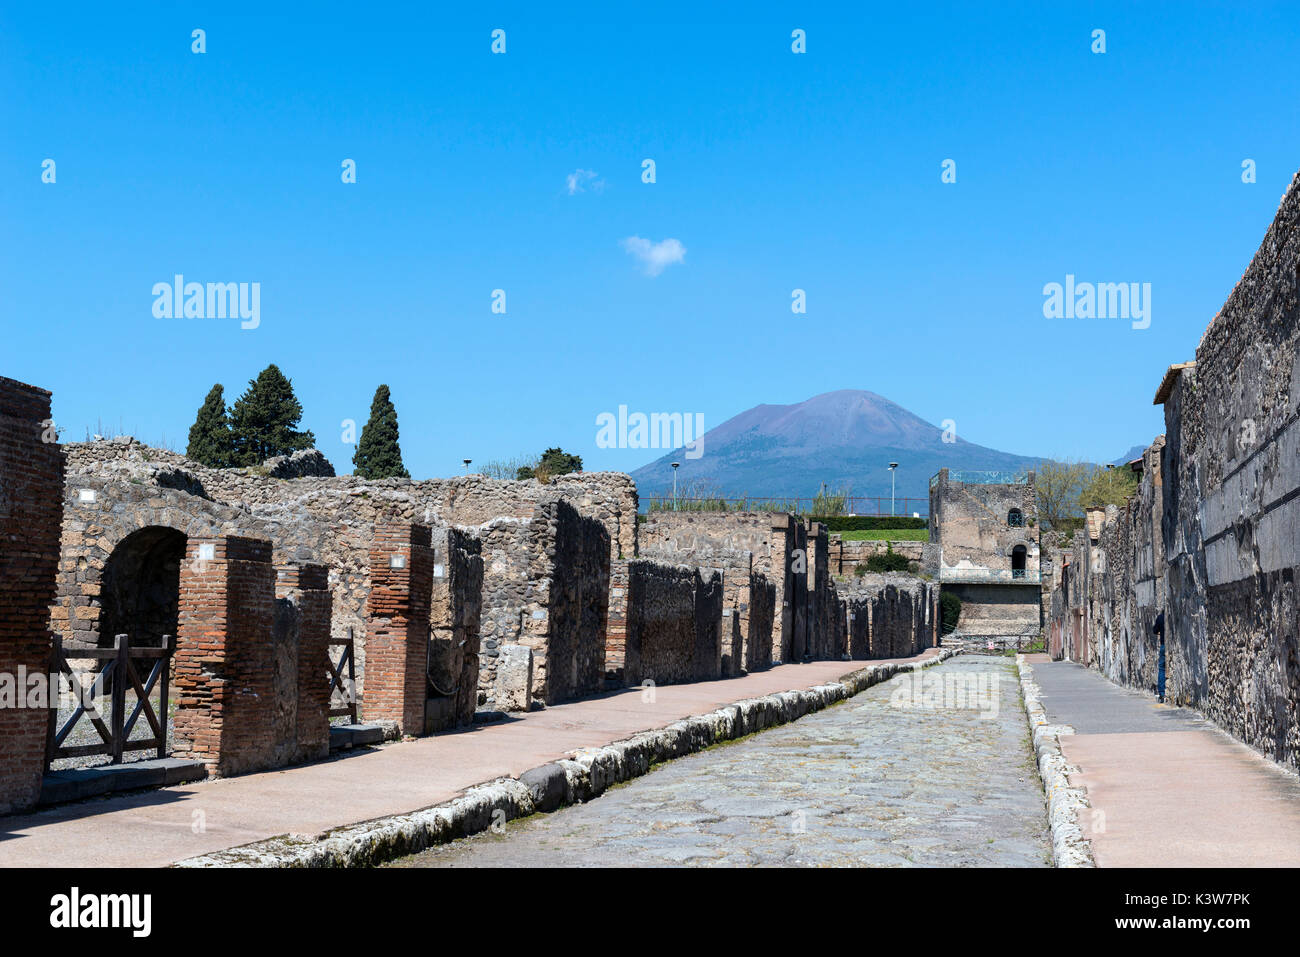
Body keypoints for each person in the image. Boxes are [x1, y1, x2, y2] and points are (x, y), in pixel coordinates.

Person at [1153, 611, 1166, 703]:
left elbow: (1155, 630)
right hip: (1171, 644)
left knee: (1162, 669)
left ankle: (1162, 693)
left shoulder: (1160, 617)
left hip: (1163, 645)